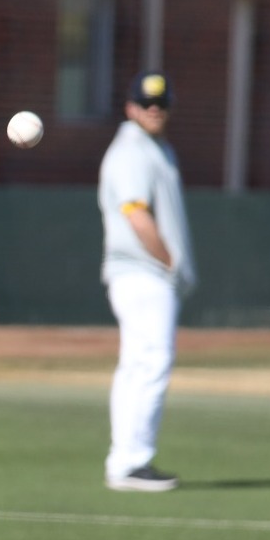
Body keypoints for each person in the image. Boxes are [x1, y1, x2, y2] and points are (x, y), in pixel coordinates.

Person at [97, 72, 195, 492]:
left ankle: (126, 459)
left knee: (138, 364)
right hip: (141, 272)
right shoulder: (132, 151)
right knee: (151, 361)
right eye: (146, 102)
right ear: (130, 106)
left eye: (161, 103)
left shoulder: (157, 148)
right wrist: (168, 259)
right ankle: (132, 462)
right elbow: (136, 213)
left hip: (143, 274)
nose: (154, 109)